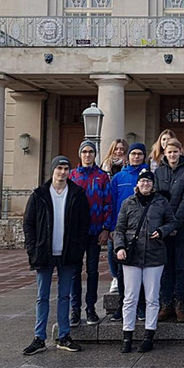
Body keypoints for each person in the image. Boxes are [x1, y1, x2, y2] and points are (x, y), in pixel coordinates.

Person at [22, 155, 89, 356]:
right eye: (59, 168)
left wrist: (78, 247)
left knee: (64, 295)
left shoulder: (77, 193)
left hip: (68, 252)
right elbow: (29, 224)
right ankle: (39, 337)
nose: (62, 172)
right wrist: (32, 249)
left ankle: (64, 335)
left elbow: (84, 224)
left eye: (66, 168)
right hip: (44, 252)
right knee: (42, 296)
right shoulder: (39, 194)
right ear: (53, 170)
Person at [113, 167, 178, 353]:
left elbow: (173, 222)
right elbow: (119, 228)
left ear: (153, 184)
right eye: (143, 181)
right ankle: (127, 335)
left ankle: (149, 335)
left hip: (155, 255)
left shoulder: (161, 202)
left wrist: (163, 231)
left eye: (149, 181)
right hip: (132, 256)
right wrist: (119, 247)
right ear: (137, 184)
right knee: (130, 297)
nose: (146, 184)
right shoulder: (128, 203)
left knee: (152, 298)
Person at [69, 140, 114, 327]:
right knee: (74, 272)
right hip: (76, 233)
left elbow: (108, 204)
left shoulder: (102, 177)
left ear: (95, 155)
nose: (87, 155)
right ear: (80, 154)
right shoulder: (72, 176)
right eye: (84, 152)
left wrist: (106, 228)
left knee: (93, 271)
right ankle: (75, 309)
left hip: (96, 231)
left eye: (91, 152)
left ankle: (91, 308)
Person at [154, 138, 184, 322]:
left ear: (181, 152)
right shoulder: (159, 172)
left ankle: (180, 302)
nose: (172, 155)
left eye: (175, 152)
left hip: (180, 226)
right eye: (169, 152)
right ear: (165, 153)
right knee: (165, 266)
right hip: (163, 228)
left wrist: (175, 225)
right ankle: (166, 303)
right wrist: (165, 226)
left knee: (180, 266)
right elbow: (157, 199)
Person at [109, 142, 149, 320]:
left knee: (140, 270)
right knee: (121, 271)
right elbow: (111, 203)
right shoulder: (119, 177)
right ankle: (121, 304)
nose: (136, 157)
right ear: (128, 156)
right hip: (121, 229)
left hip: (142, 230)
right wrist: (110, 228)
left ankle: (140, 306)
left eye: (140, 154)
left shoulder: (148, 175)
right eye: (133, 154)